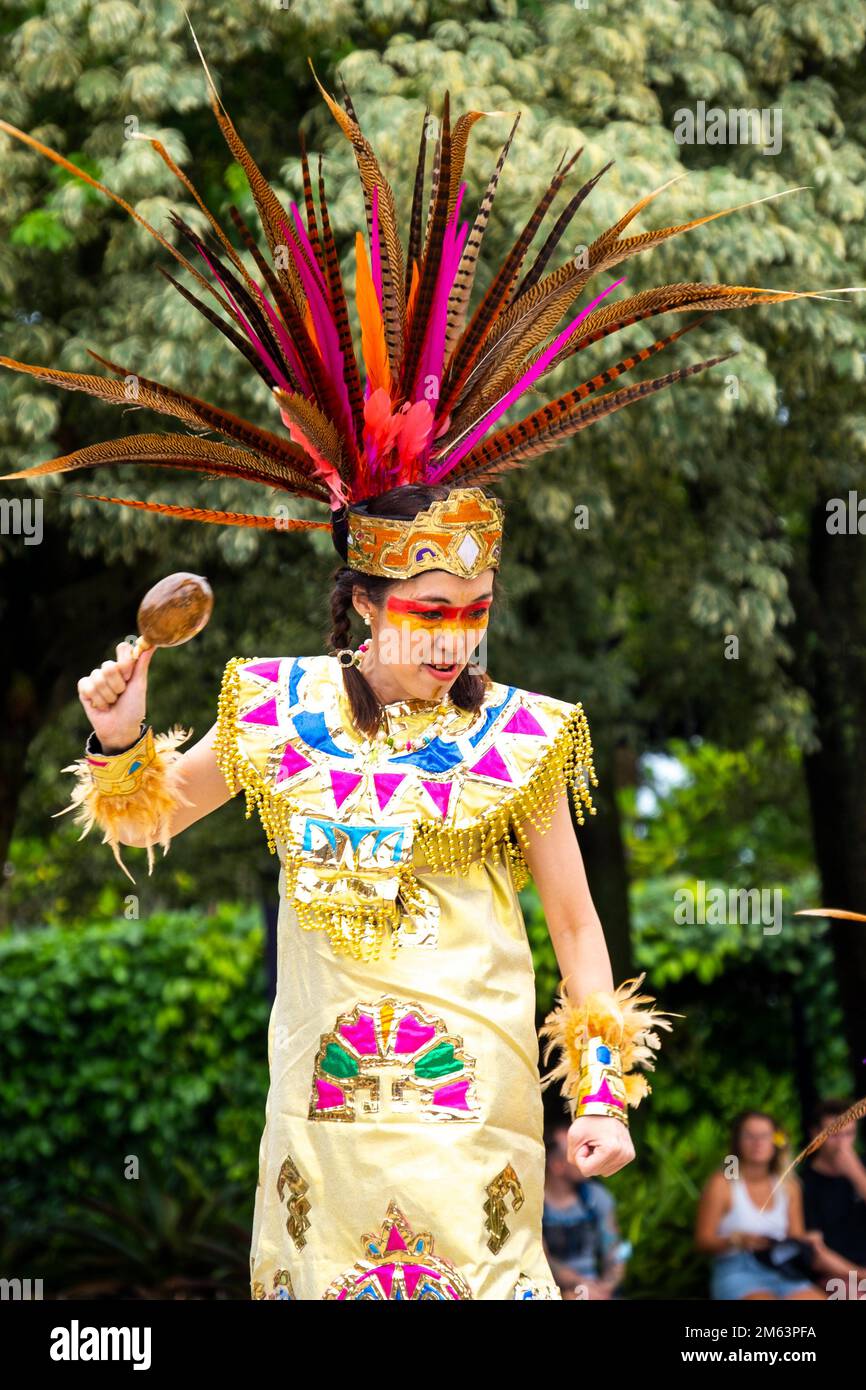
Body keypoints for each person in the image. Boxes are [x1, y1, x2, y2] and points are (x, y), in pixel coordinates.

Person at [0, 36, 846, 1300]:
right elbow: (147, 817)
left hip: (477, 1122)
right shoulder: (271, 706)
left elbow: (573, 926)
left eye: (475, 612)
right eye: (430, 611)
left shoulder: (525, 734)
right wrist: (121, 734)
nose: (455, 638)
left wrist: (600, 1096)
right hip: (318, 1129)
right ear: (361, 602)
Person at [695, 1110, 825, 1300]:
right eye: (750, 1136)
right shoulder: (722, 1183)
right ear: (737, 1142)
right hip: (737, 1270)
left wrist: (808, 1240)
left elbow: (795, 1237)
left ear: (776, 1141)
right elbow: (702, 1241)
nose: (757, 1143)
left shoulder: (789, 1185)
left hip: (781, 1268)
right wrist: (736, 1240)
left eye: (764, 1136)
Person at [543, 1120, 630, 1298]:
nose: (590, 1155)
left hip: (595, 1289)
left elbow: (614, 1251)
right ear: (557, 1165)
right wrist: (577, 1285)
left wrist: (607, 1286)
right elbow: (540, 1257)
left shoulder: (595, 1198)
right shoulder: (535, 1204)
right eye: (577, 1151)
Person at [799, 1098, 866, 1297]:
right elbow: (817, 1256)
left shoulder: (861, 1169)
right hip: (837, 1275)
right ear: (815, 1135)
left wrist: (856, 1174)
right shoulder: (803, 1185)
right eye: (835, 1135)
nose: (843, 1144)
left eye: (849, 1134)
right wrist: (862, 1275)